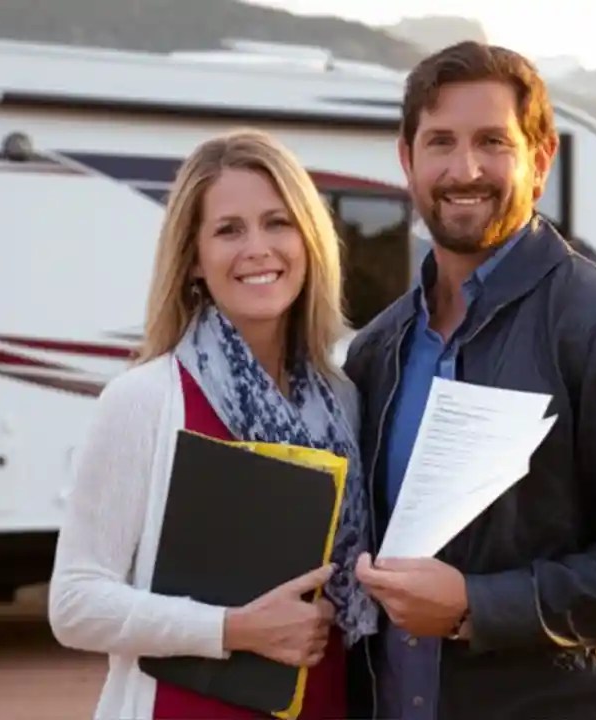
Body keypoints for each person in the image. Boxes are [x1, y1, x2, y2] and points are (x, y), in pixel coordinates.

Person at [343, 41, 596, 719]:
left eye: (493, 141)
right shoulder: (378, 348)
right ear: (407, 161)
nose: (466, 169)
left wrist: (477, 605)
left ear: (540, 159)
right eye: (440, 143)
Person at [48, 128, 379, 720]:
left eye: (278, 222)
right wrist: (233, 629)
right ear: (195, 260)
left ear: (309, 239)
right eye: (229, 230)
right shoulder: (146, 399)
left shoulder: (344, 401)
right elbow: (74, 603)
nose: (258, 248)